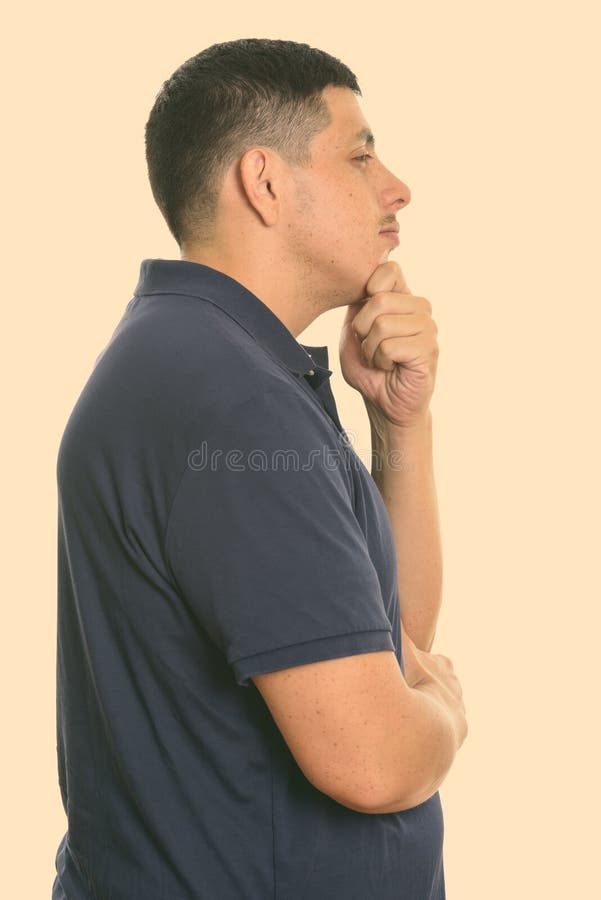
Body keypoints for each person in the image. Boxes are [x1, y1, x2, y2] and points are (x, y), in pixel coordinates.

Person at [52, 37, 467, 900]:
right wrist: (447, 715)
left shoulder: (212, 361)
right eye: (360, 156)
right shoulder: (230, 398)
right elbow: (373, 759)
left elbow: (390, 636)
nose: (396, 188)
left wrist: (399, 423)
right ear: (265, 182)